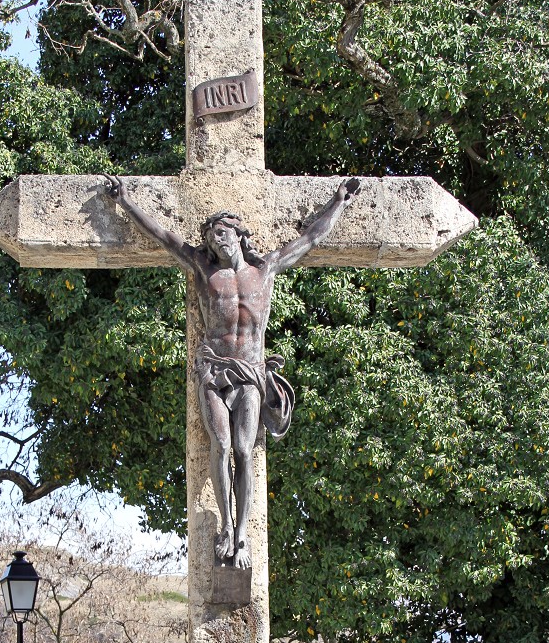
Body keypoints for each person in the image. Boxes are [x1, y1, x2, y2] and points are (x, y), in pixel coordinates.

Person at [104, 174, 360, 569]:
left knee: (244, 449)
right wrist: (126, 202)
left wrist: (339, 202)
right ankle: (226, 527)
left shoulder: (266, 269)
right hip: (214, 370)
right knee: (220, 447)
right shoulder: (204, 270)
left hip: (251, 374)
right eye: (210, 238)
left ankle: (242, 536)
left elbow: (311, 238)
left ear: (239, 235)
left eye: (222, 234)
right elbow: (163, 236)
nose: (215, 242)